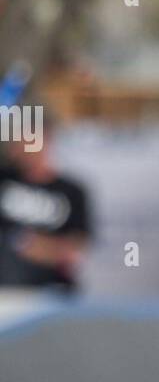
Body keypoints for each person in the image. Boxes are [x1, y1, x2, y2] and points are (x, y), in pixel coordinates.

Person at [0, 111, 92, 294]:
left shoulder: (72, 191)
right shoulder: (5, 180)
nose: (19, 145)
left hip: (52, 291)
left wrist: (29, 244)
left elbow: (73, 252)